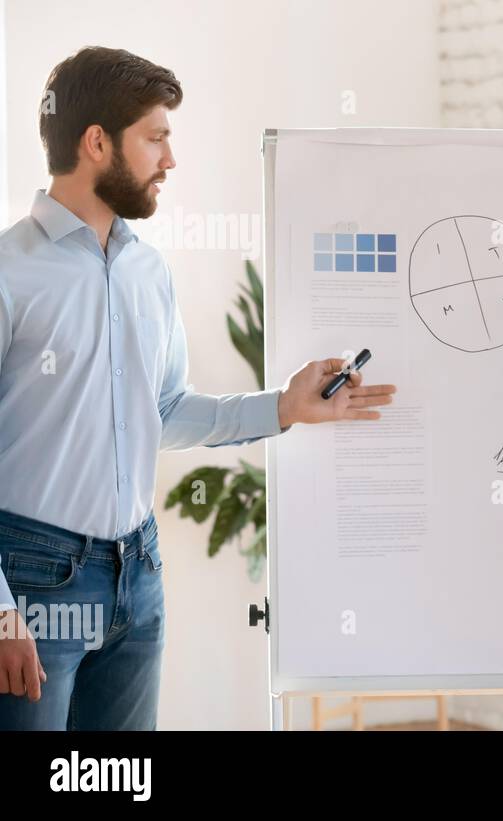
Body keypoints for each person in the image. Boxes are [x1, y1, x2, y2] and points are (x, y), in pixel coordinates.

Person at [0, 46, 397, 729]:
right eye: (155, 138)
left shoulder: (148, 272)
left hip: (139, 575)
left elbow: (165, 411)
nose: (170, 160)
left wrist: (284, 406)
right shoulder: (11, 272)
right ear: (96, 143)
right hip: (33, 586)